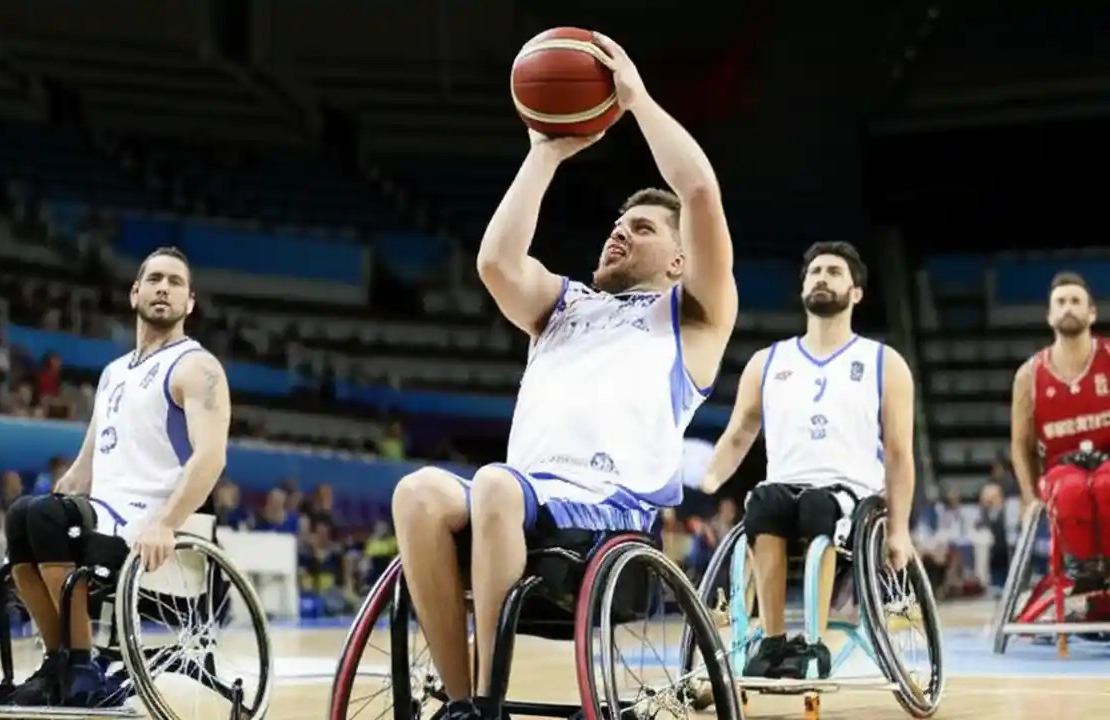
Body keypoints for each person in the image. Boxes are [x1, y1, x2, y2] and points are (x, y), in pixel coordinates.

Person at [390, 33, 739, 720]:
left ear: (678, 259)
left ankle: (486, 702)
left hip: (607, 521)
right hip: (520, 507)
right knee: (419, 492)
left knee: (491, 482)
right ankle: (463, 704)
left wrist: (635, 101)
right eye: (616, 222)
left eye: (640, 227)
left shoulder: (693, 316)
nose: (619, 232)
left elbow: (698, 190)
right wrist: (542, 152)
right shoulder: (564, 305)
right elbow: (496, 264)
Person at [0, 246, 231, 708]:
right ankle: (60, 663)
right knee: (23, 515)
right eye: (155, 278)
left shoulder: (196, 367)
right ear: (134, 292)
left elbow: (211, 456)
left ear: (190, 302)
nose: (164, 287)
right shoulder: (113, 373)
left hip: (155, 524)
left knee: (44, 518)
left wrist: (166, 521)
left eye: (175, 282)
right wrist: (60, 491)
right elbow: (85, 467)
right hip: (101, 513)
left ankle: (82, 670)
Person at [700, 241, 917, 679]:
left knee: (819, 505)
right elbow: (739, 433)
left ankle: (814, 644)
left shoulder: (883, 362)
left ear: (856, 292)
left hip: (851, 495)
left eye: (834, 272)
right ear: (802, 288)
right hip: (786, 487)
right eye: (814, 271)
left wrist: (899, 530)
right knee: (761, 503)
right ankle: (774, 642)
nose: (821, 277)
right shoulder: (768, 362)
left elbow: (898, 452)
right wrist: (703, 484)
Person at [1010, 271, 1110, 616]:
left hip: (1108, 461)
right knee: (1070, 491)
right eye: (1061, 302)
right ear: (1050, 315)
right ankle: (1083, 574)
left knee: (1106, 484)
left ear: (1092, 313)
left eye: (1075, 301)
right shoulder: (1029, 374)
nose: (1068, 308)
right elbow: (1020, 445)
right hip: (1061, 467)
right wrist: (1028, 499)